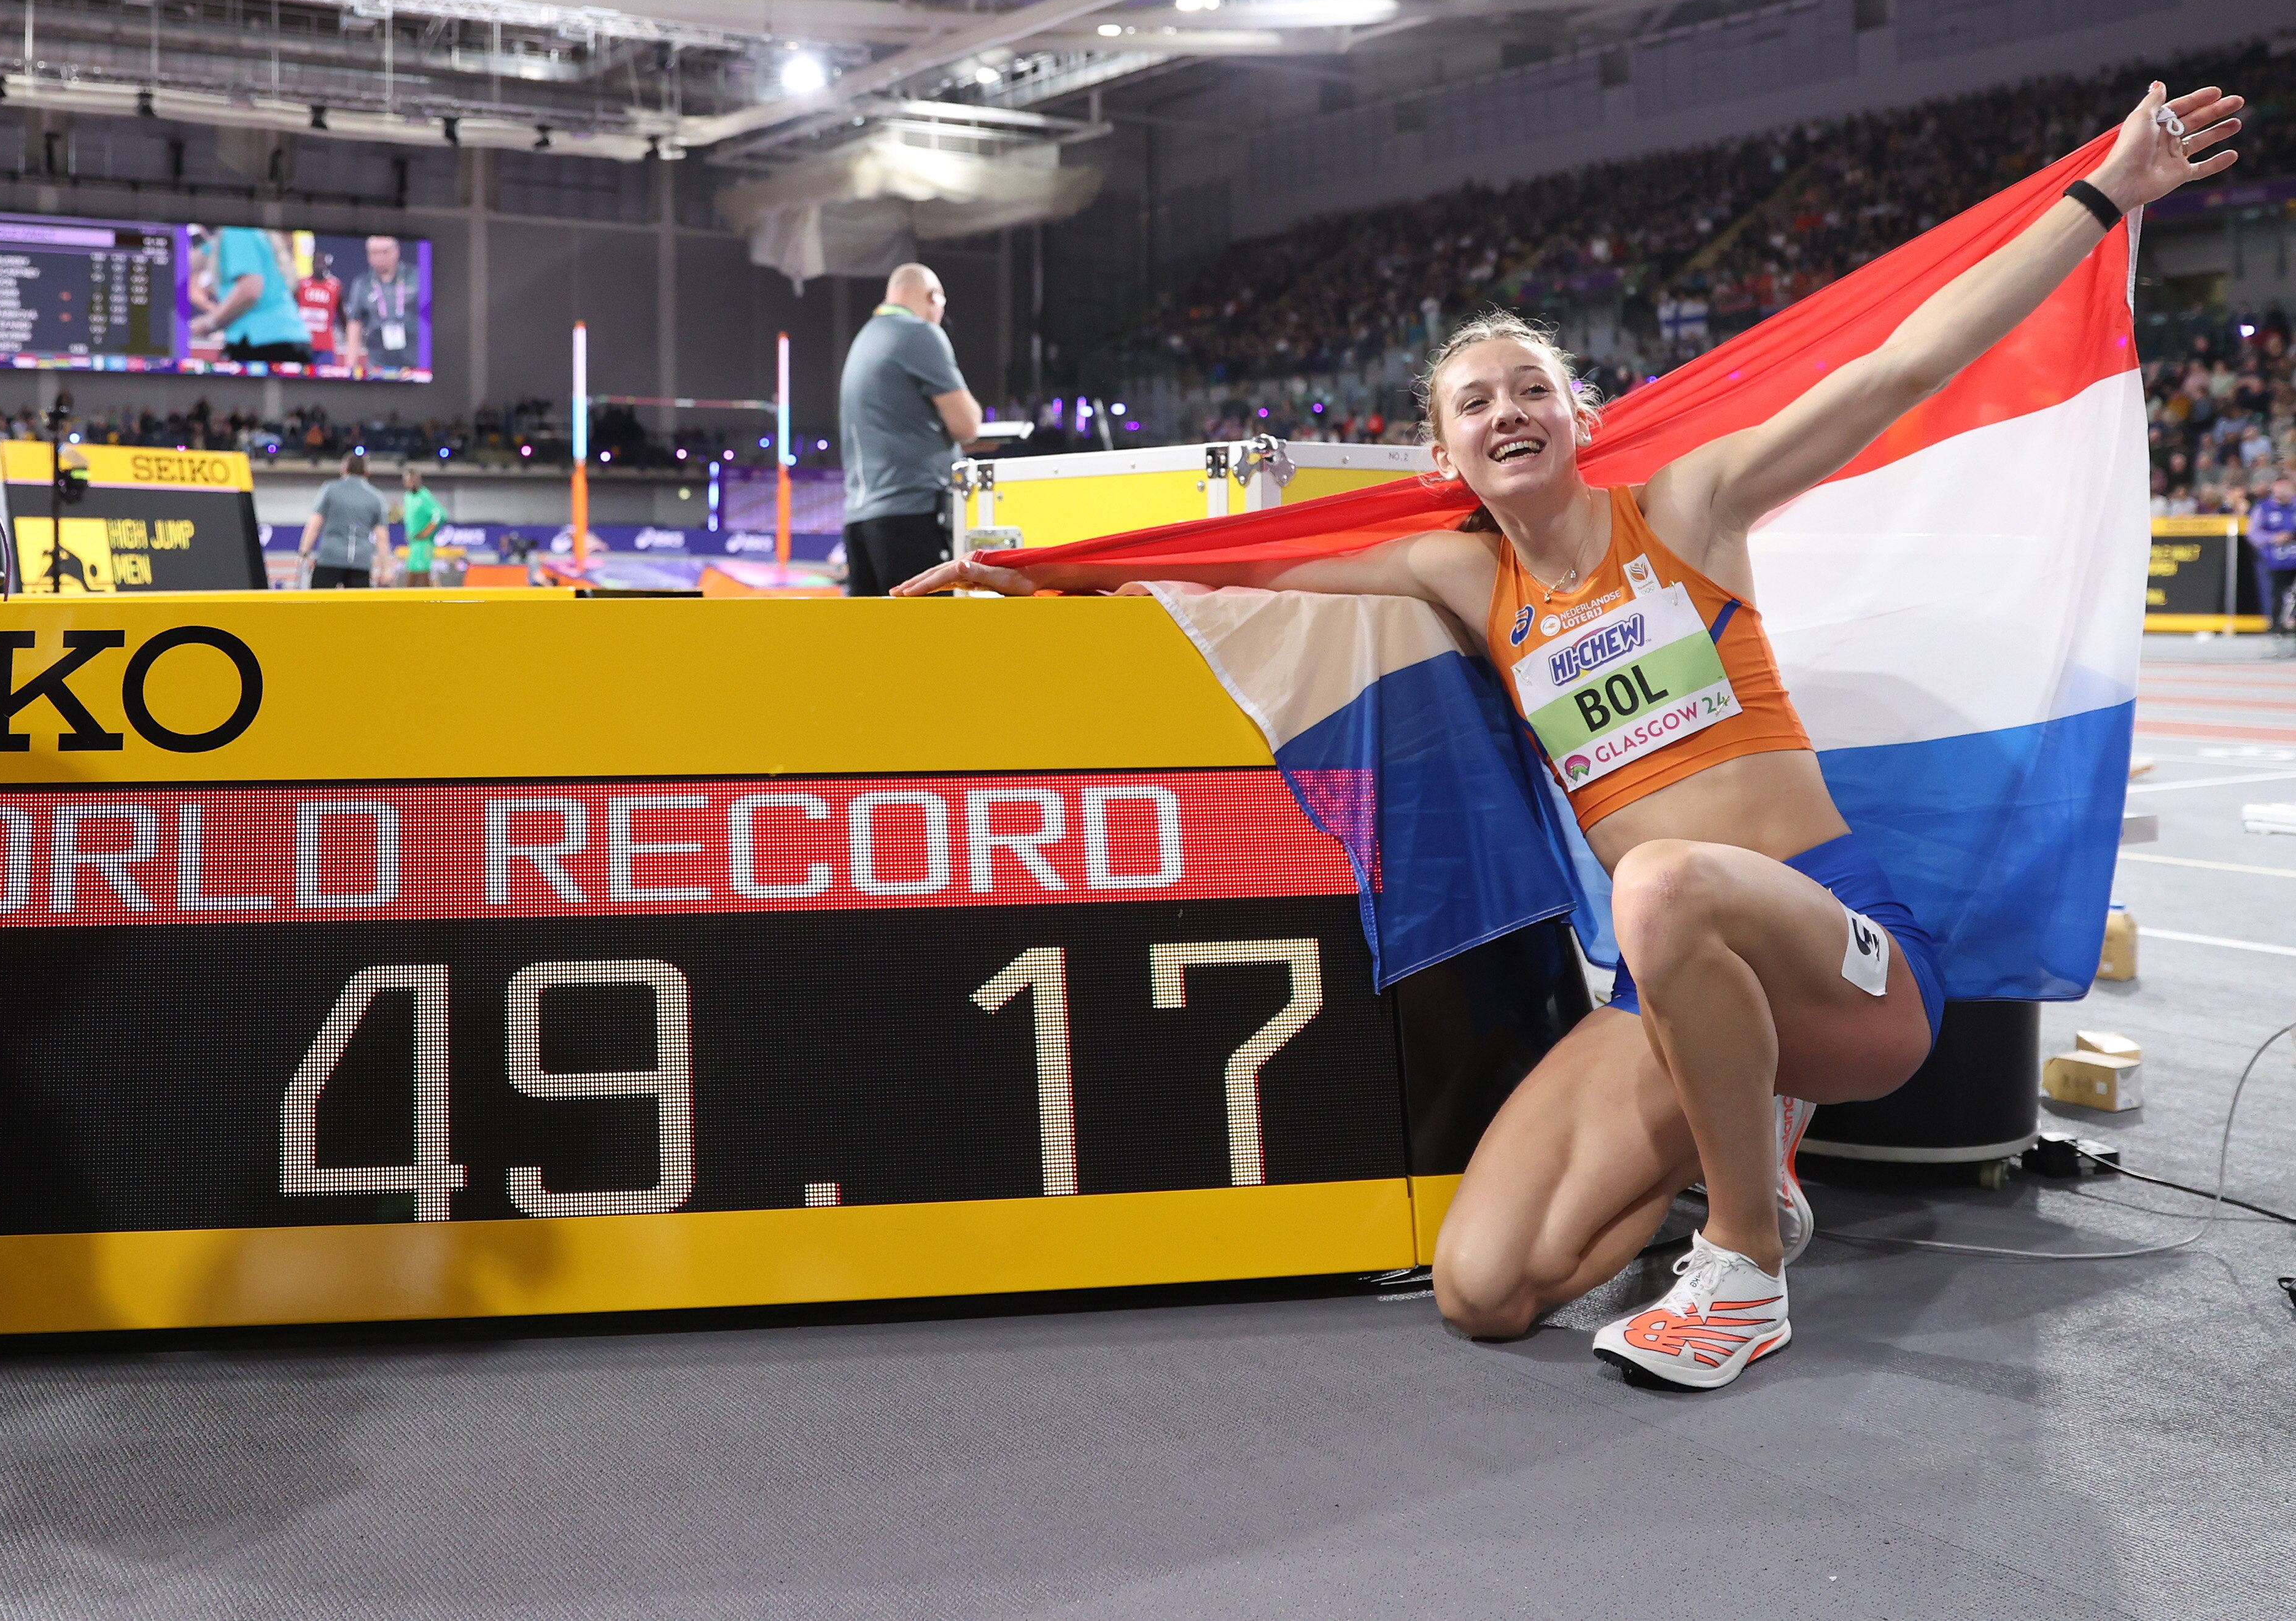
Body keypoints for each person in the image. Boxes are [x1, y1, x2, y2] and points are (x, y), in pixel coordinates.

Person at [899, 82, 2244, 1390]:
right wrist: (1042, 573)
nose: (1506, 411)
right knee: (1482, 1289)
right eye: (1474, 402)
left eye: (1528, 386)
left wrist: (2103, 194)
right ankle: (1742, 1149)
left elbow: (1902, 365)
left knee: (1656, 879)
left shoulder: (1690, 506)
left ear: (1577, 415)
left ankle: (1743, 1250)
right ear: (1449, 455)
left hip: (1848, 960)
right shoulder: (1467, 581)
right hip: (1661, 983)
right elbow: (1246, 567)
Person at [838, 261, 982, 596]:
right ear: (934, 297)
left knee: (872, 642)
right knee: (929, 642)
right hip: (910, 514)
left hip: (861, 519)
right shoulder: (919, 333)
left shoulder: (865, 339)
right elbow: (968, 425)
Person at [193, 226, 312, 367]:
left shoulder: (237, 230)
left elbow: (250, 288)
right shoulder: (233, 236)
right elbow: (187, 261)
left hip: (268, 345)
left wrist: (209, 323)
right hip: (281, 343)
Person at [299, 451, 389, 589]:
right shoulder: (376, 497)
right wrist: (385, 570)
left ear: (344, 469)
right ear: (367, 472)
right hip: (360, 561)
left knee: (320, 607)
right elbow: (381, 537)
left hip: (330, 558)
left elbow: (314, 525)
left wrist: (304, 553)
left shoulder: (330, 489)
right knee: (357, 609)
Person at [343, 235, 422, 378]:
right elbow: (355, 324)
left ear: (397, 251)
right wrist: (350, 367)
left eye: (385, 252)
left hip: (415, 362)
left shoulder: (417, 278)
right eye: (374, 253)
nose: (380, 258)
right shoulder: (362, 284)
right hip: (377, 364)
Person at [2251, 475, 2296, 643]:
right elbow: (2253, 534)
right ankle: (2277, 627)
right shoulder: (2264, 508)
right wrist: (2273, 538)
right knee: (2277, 594)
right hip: (2275, 560)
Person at [395, 463, 448, 588]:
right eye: (407, 480)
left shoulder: (424, 496)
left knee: (423, 575)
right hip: (413, 543)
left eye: (412, 479)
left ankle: (427, 604)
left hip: (424, 543)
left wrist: (426, 532)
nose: (410, 482)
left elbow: (440, 515)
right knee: (411, 575)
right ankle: (409, 604)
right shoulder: (408, 497)